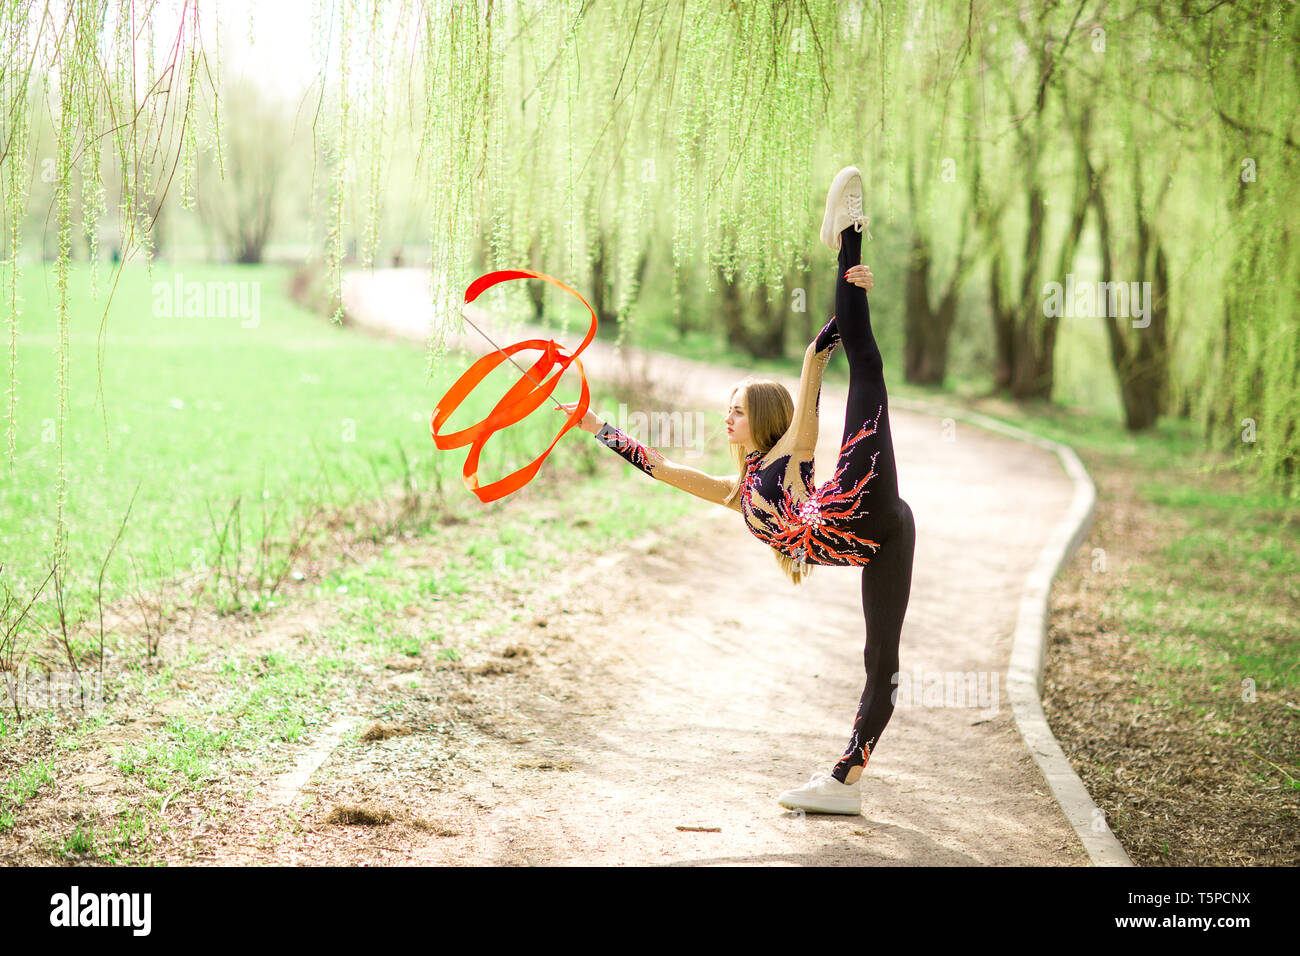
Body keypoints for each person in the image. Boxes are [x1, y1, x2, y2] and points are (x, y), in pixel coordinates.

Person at [556, 167, 916, 815]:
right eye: (728, 409)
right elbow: (661, 467)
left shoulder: (790, 456)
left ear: (766, 422)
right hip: (880, 544)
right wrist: (594, 426)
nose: (729, 418)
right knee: (878, 659)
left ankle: (852, 237)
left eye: (738, 409)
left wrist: (848, 304)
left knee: (866, 360)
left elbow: (815, 364)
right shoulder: (739, 489)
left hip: (864, 500)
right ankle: (845, 785)